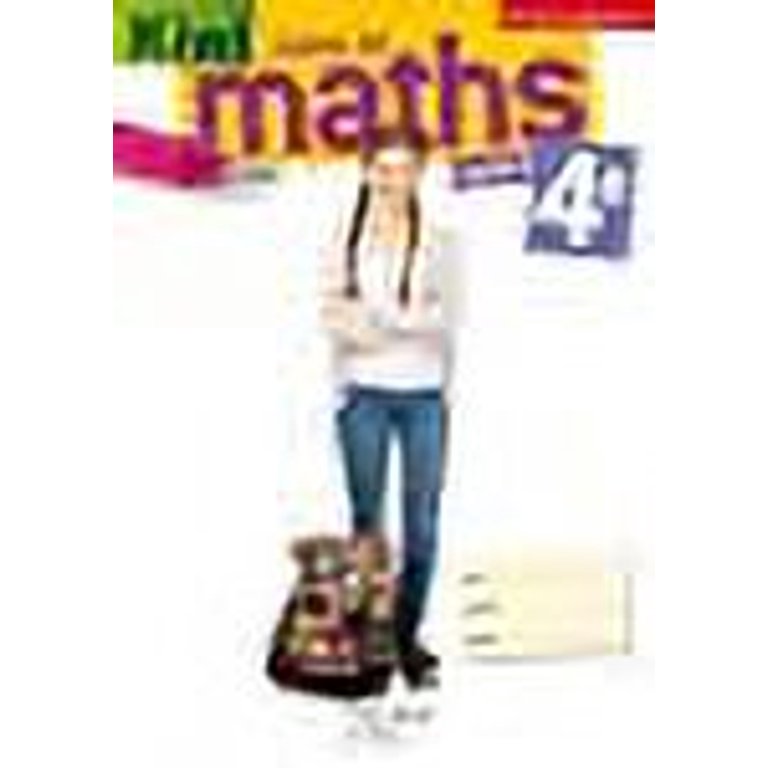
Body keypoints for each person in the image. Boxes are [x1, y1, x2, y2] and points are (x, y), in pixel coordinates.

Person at [320, 128, 461, 689]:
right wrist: (396, 324)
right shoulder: (345, 238)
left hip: (423, 395)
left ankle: (407, 637)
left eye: (404, 169)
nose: (393, 181)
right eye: (382, 169)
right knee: (367, 525)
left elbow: (447, 318)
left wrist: (385, 321)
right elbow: (334, 315)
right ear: (366, 171)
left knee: (421, 525)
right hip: (363, 395)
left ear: (419, 173)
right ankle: (369, 640)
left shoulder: (441, 241)